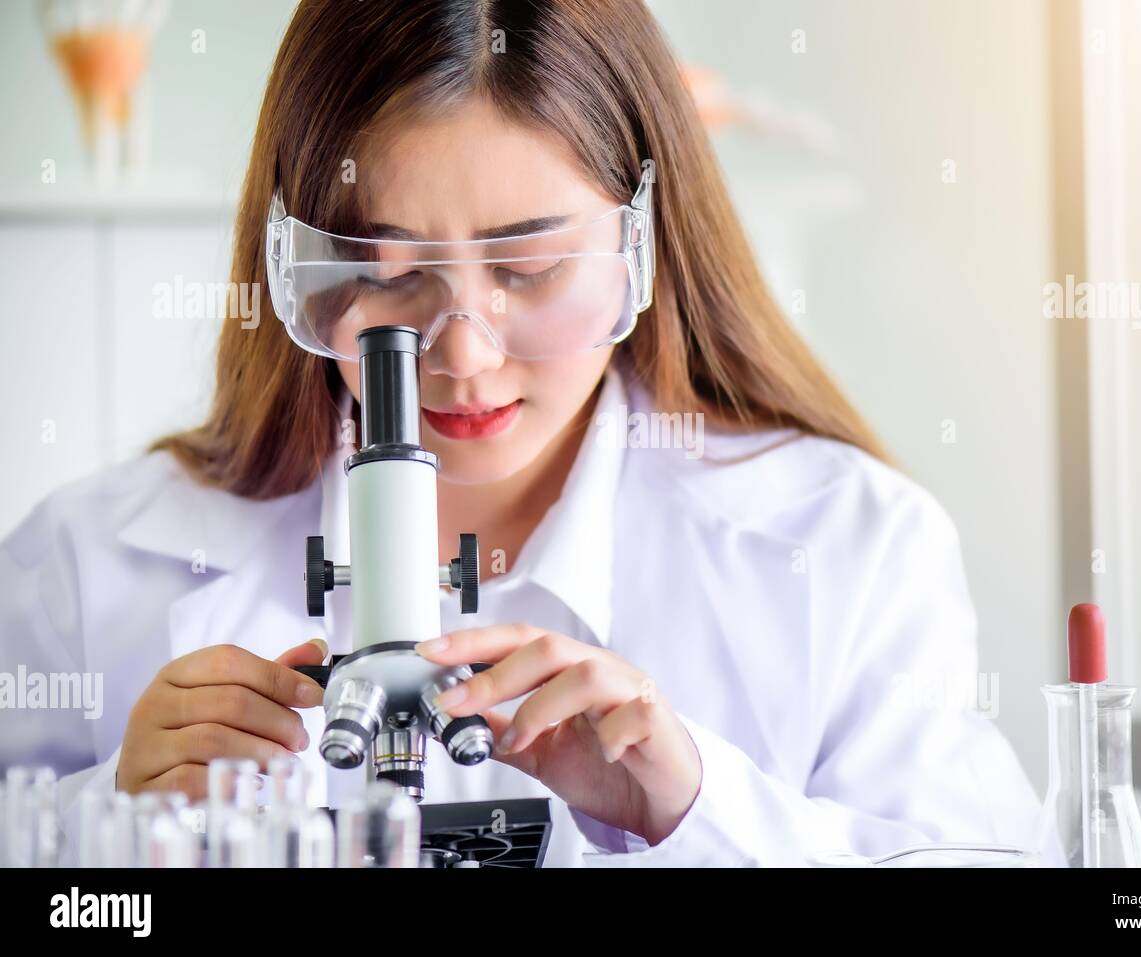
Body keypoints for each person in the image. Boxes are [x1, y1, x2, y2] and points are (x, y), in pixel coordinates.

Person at [0, 0, 1039, 866]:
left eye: (530, 270)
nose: (460, 354)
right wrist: (106, 833)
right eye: (386, 273)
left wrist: (698, 811)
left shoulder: (847, 545)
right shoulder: (92, 561)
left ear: (641, 243)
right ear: (299, 262)